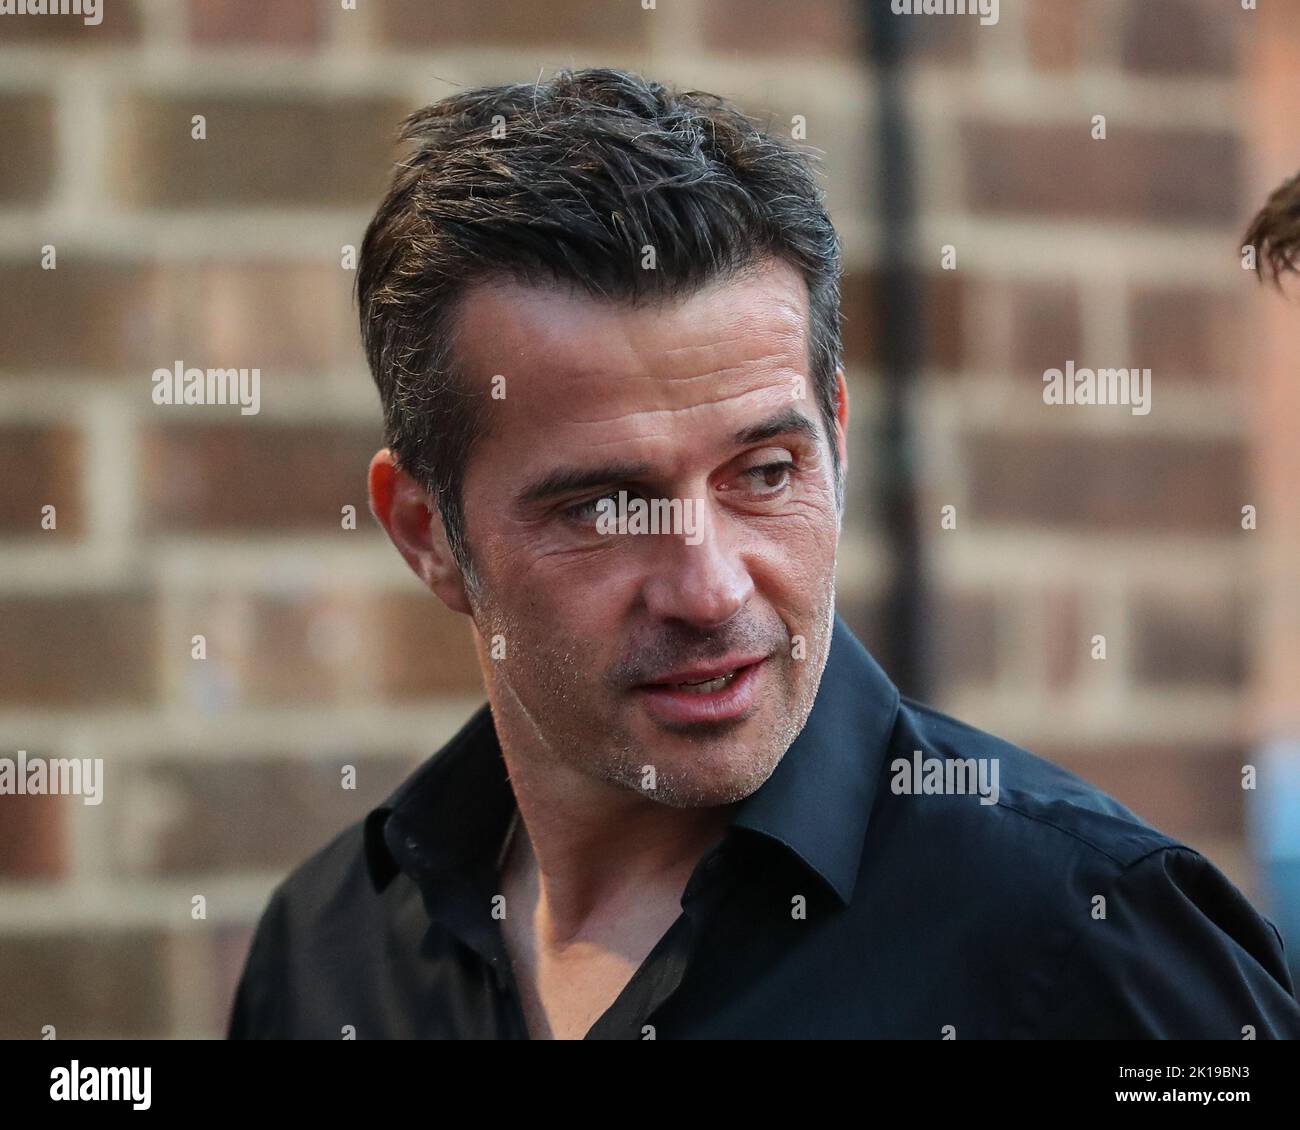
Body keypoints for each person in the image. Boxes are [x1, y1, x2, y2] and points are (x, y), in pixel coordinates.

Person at [227, 68, 1300, 1039]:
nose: (710, 584)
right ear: (427, 533)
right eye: (604, 504)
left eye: (765, 472)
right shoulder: (329, 952)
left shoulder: (1087, 937)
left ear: (835, 435)